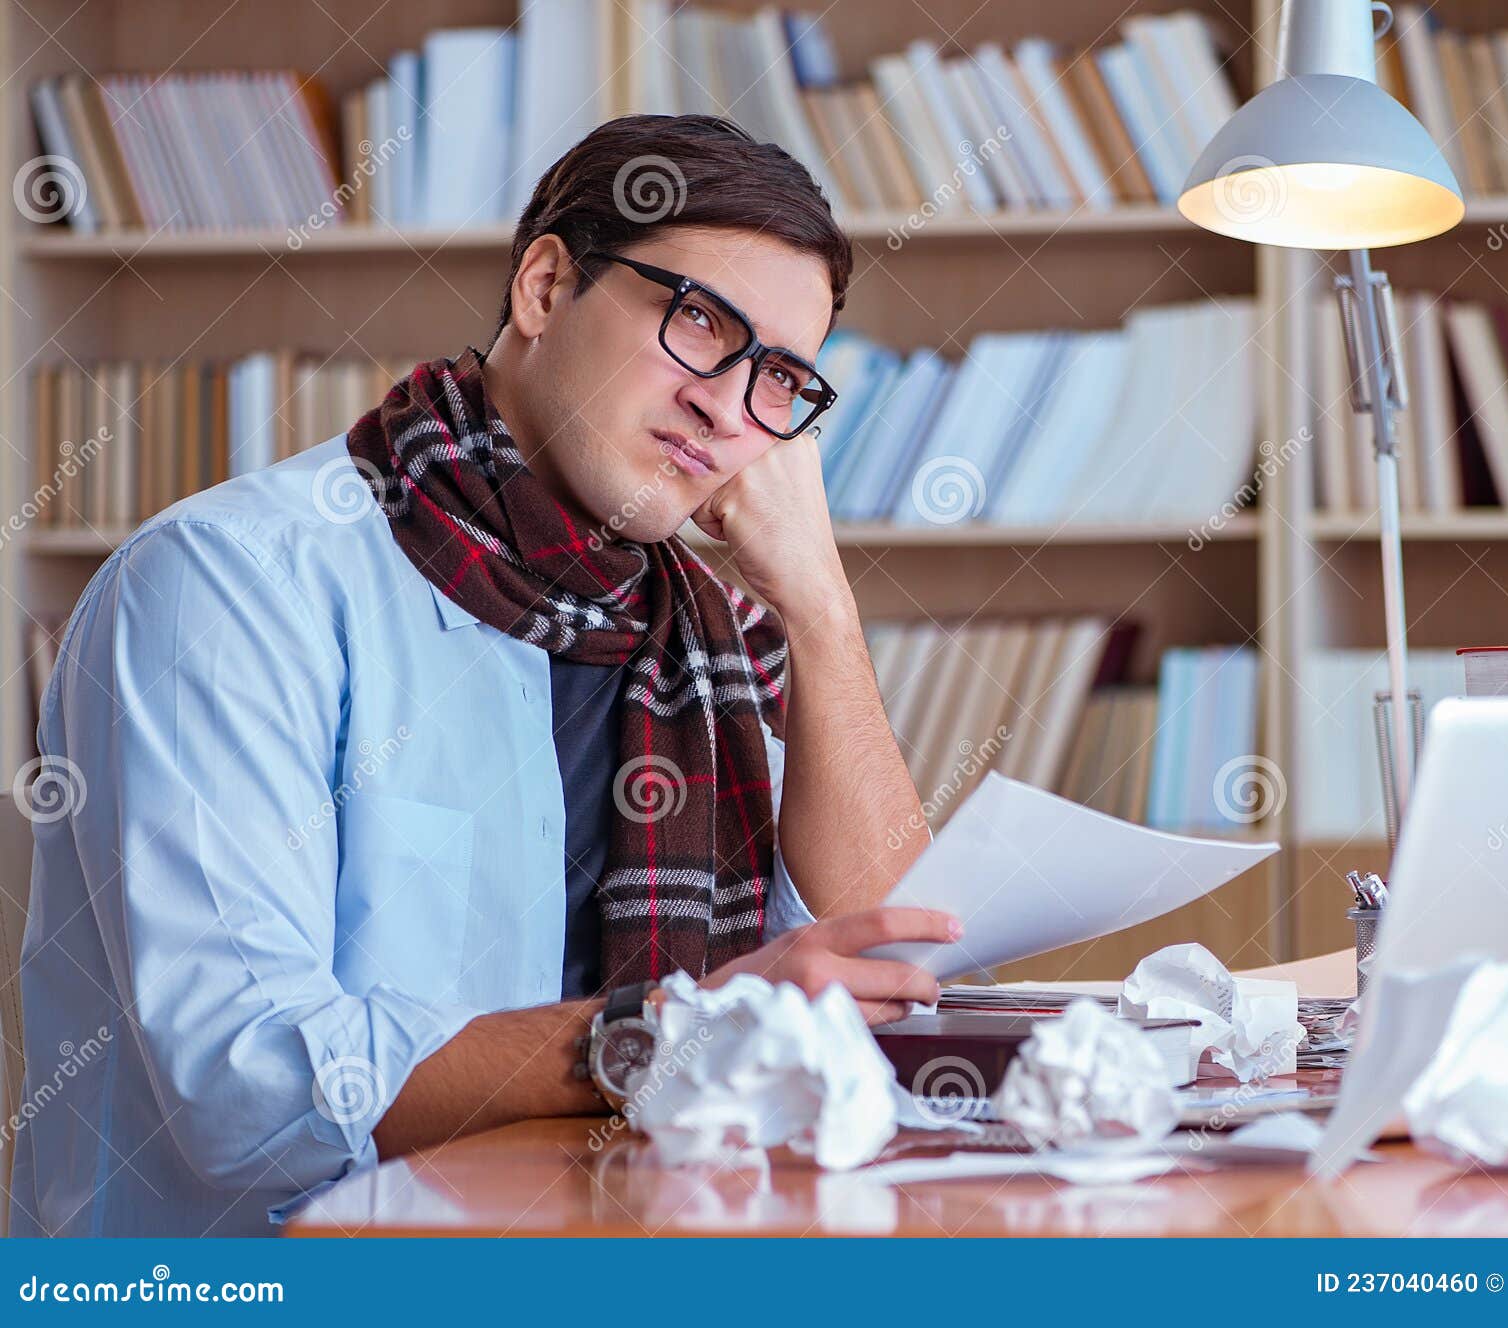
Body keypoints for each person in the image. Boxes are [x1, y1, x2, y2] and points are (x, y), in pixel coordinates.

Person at [9, 114, 959, 1237]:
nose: (725, 405)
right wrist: (674, 1031)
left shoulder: (714, 637)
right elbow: (246, 1087)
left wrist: (824, 611)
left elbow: (895, 964)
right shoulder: (228, 583)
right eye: (700, 321)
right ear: (546, 287)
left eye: (779, 379)